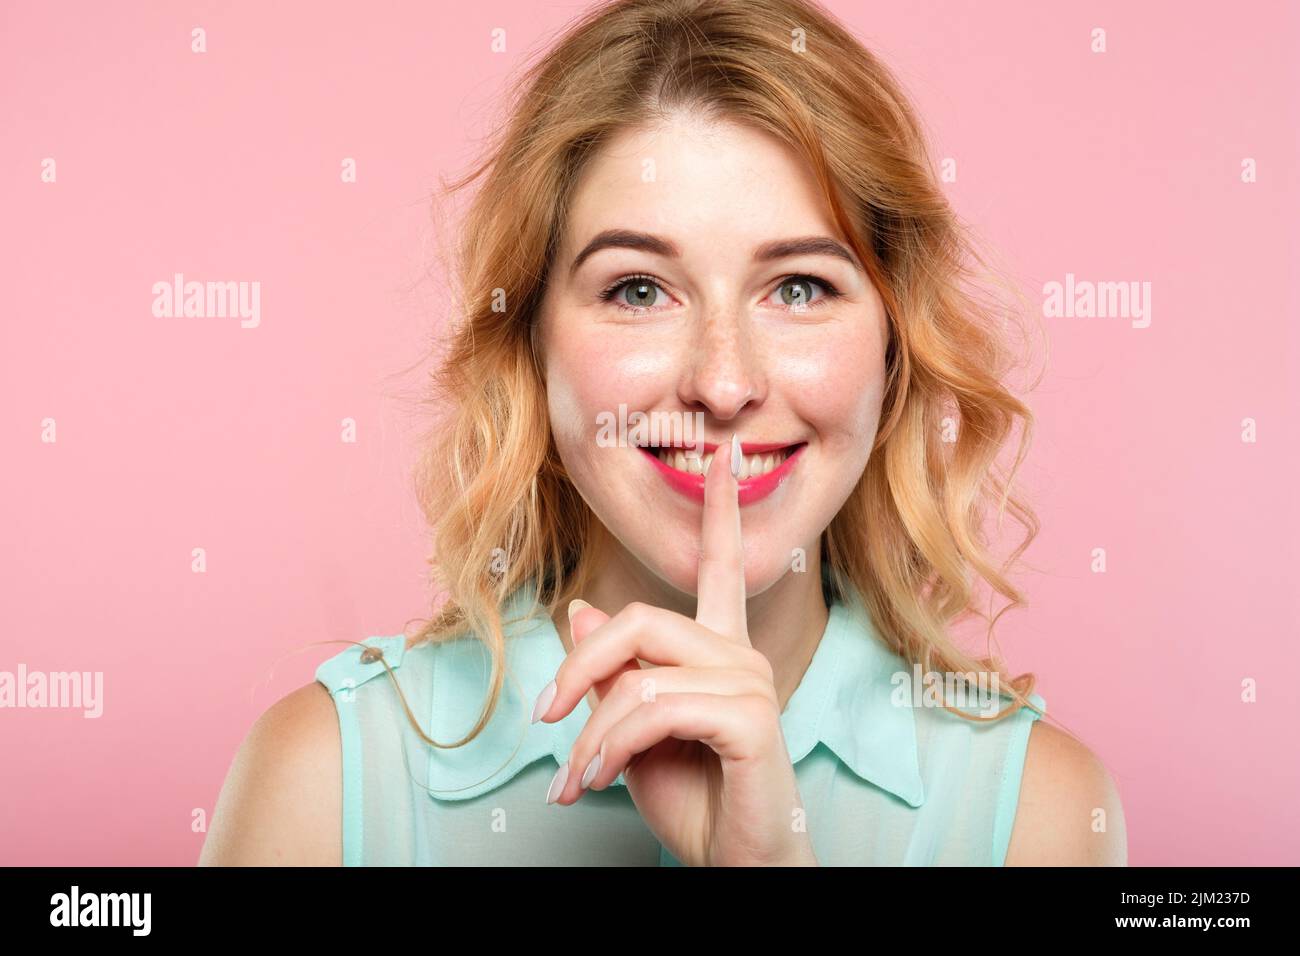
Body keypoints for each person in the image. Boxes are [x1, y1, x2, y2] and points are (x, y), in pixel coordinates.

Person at [200, 0, 1126, 866]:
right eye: (637, 290)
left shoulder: (1035, 814)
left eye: (799, 288)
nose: (723, 384)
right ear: (532, 343)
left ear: (895, 345)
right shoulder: (324, 781)